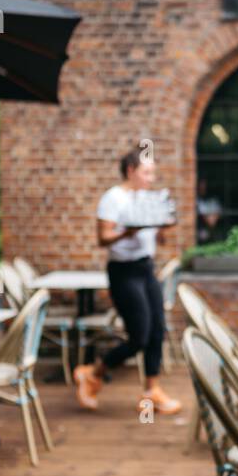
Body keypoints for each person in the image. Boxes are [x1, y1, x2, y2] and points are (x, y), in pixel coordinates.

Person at [74, 147, 182, 414]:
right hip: (123, 272)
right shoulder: (113, 198)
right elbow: (103, 238)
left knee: (158, 330)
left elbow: (158, 237)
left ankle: (151, 392)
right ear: (131, 171)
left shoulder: (147, 198)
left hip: (146, 268)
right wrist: (127, 233)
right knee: (139, 336)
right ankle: (93, 373)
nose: (151, 178)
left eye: (153, 173)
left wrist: (163, 227)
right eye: (147, 172)